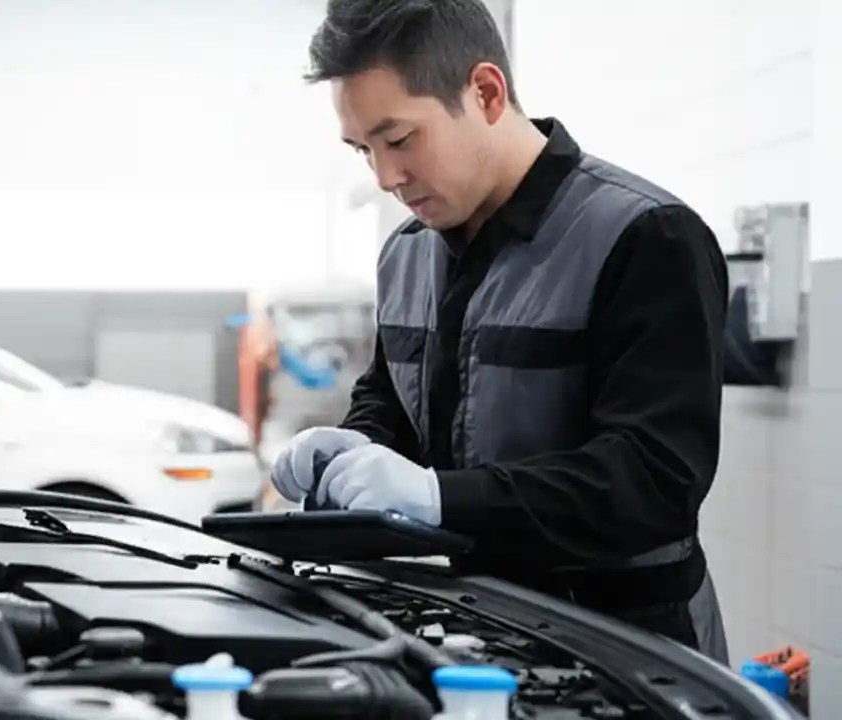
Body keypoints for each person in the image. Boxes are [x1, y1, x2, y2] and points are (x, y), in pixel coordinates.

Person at [271, 0, 730, 662]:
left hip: (628, 653)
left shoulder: (646, 237)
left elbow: (652, 483)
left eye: (399, 140)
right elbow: (393, 408)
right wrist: (349, 449)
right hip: (467, 635)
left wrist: (436, 497)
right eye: (361, 149)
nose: (385, 178)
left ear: (486, 92)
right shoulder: (407, 251)